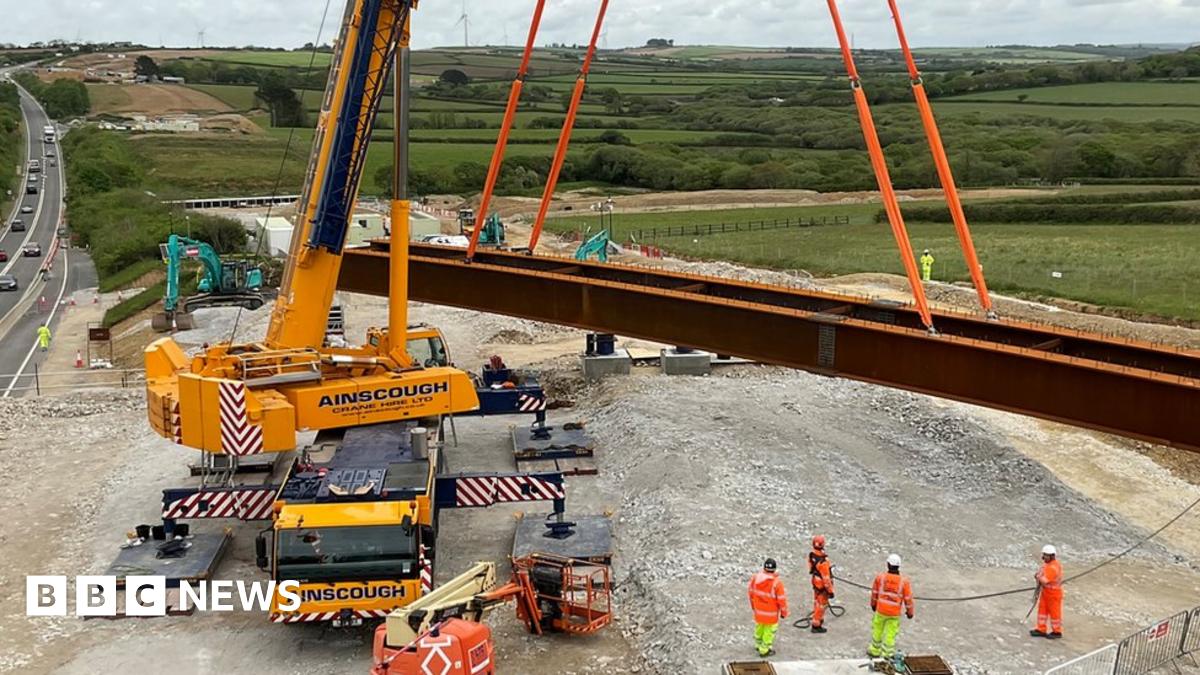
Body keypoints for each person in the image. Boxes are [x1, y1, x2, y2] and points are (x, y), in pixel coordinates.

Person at [868, 554, 914, 660]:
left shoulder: (880, 578)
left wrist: (873, 604)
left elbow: (874, 592)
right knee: (890, 632)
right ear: (899, 566)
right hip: (894, 613)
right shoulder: (904, 581)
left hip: (881, 610)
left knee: (877, 629)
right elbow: (908, 599)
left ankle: (875, 650)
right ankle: (887, 654)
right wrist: (910, 612)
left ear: (888, 564)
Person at [748, 557, 789, 657]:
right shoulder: (777, 583)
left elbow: (751, 593)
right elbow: (781, 599)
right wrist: (784, 613)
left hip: (758, 611)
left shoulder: (755, 578)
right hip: (771, 614)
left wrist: (754, 607)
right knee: (769, 631)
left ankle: (758, 644)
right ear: (774, 569)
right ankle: (764, 650)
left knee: (760, 627)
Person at [1031, 544, 1063, 639]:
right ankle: (1041, 629)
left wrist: (1038, 576)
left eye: (1046, 555)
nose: (1044, 557)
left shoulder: (1053, 567)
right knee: (1042, 611)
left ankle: (1057, 631)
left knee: (1054, 613)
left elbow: (1044, 580)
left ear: (1052, 556)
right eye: (1044, 555)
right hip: (1046, 592)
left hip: (1054, 594)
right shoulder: (1048, 564)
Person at [809, 535, 834, 634]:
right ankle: (816, 624)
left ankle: (817, 618)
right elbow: (826, 579)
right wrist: (830, 591)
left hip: (815, 581)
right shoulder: (823, 561)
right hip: (822, 585)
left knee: (816, 601)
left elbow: (811, 568)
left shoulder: (812, 555)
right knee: (821, 605)